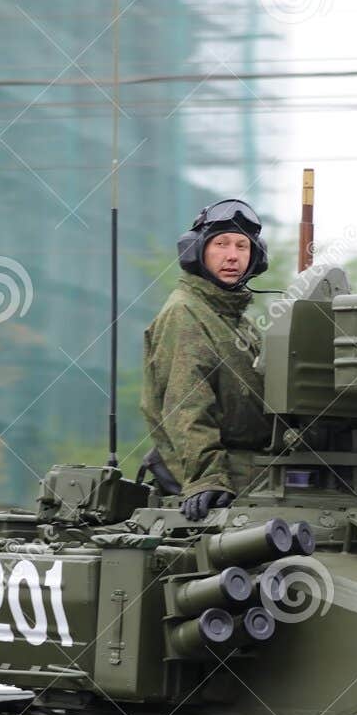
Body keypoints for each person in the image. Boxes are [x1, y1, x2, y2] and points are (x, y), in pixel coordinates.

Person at [140, 198, 274, 520]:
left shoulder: (234, 319)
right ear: (197, 251)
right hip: (222, 483)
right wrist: (206, 477)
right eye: (221, 244)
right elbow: (186, 405)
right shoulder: (186, 313)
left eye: (243, 246)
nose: (233, 255)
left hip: (254, 476)